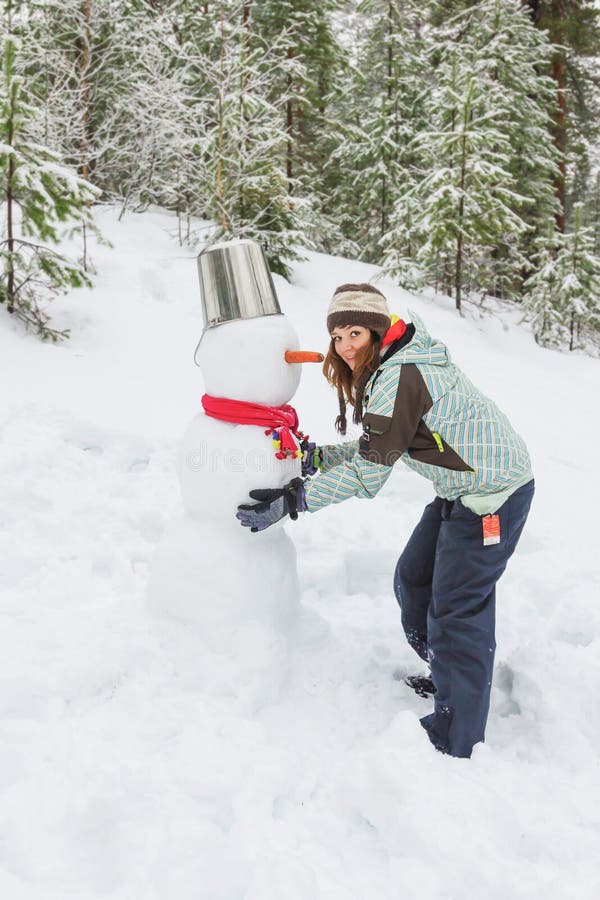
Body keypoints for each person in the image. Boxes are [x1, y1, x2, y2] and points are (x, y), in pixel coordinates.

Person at [237, 284, 534, 758]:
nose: (345, 345)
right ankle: (450, 676)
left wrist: (295, 500)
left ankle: (455, 736)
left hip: (492, 498)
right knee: (415, 581)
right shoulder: (396, 363)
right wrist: (321, 459)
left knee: (457, 610)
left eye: (354, 332)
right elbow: (384, 443)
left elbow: (370, 475)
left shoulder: (400, 376)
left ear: (376, 331)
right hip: (461, 490)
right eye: (336, 335)